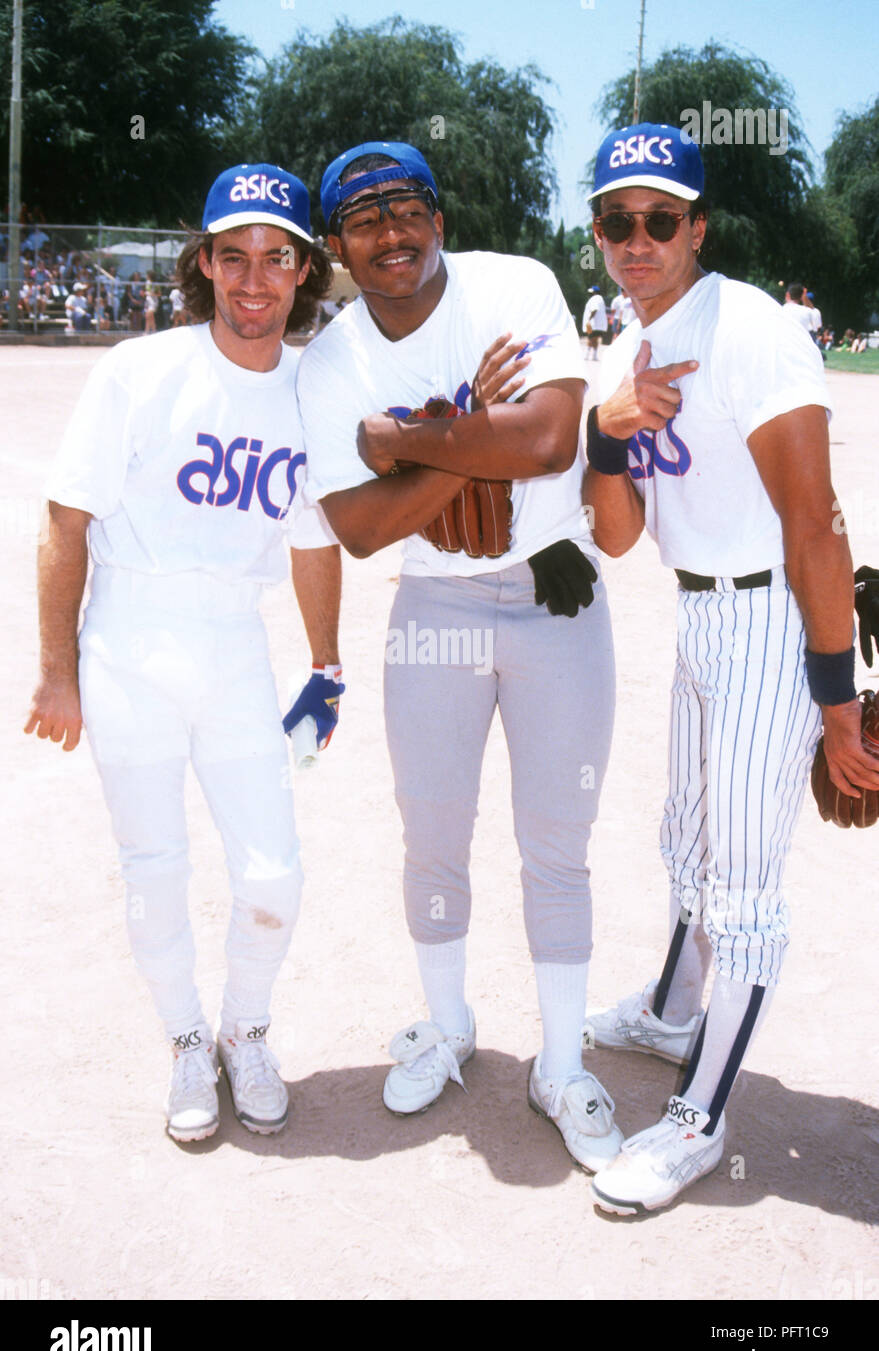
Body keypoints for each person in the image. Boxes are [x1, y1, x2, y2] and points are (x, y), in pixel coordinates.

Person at [293, 140, 622, 1173]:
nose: (391, 232)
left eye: (407, 207)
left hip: (552, 595)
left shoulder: (512, 282)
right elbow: (356, 525)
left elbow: (549, 443)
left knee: (556, 844)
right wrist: (467, 431)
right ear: (338, 245)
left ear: (438, 215)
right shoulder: (333, 355)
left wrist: (411, 441)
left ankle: (561, 1064)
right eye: (365, 217)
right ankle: (447, 1024)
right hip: (433, 603)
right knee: (432, 833)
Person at [580, 121, 879, 1215]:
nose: (639, 239)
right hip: (698, 616)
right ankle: (672, 1009)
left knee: (744, 892)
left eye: (662, 219)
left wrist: (837, 703)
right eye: (619, 221)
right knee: (687, 839)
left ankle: (698, 1123)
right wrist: (607, 434)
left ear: (697, 227)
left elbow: (817, 529)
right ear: (601, 234)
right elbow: (616, 538)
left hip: (769, 624)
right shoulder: (623, 348)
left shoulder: (749, 329)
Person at [24, 163, 342, 1145]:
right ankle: (185, 1042)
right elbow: (64, 521)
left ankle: (247, 1031)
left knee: (273, 872)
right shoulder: (140, 369)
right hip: (126, 643)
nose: (254, 279)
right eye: (233, 255)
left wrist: (325, 670)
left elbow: (313, 538)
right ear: (204, 262)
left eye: (275, 258)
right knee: (154, 868)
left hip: (237, 647)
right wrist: (58, 671)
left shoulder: (311, 391)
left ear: (302, 271)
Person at [581, 284, 608, 359]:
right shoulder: (600, 298)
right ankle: (594, 355)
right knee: (595, 339)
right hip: (599, 324)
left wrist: (589, 319)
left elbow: (594, 309)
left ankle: (587, 354)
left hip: (593, 324)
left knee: (590, 338)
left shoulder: (595, 298)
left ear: (594, 292)